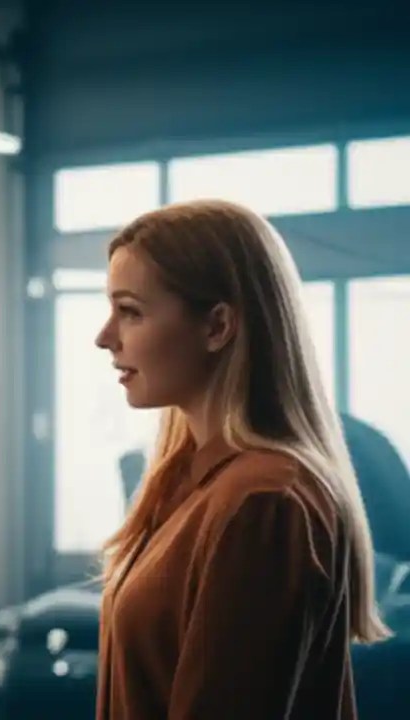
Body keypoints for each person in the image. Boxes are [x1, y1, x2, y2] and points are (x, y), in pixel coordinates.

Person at [92, 199, 390, 719]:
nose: (105, 337)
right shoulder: (191, 486)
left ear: (217, 327)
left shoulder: (262, 501)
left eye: (130, 311)